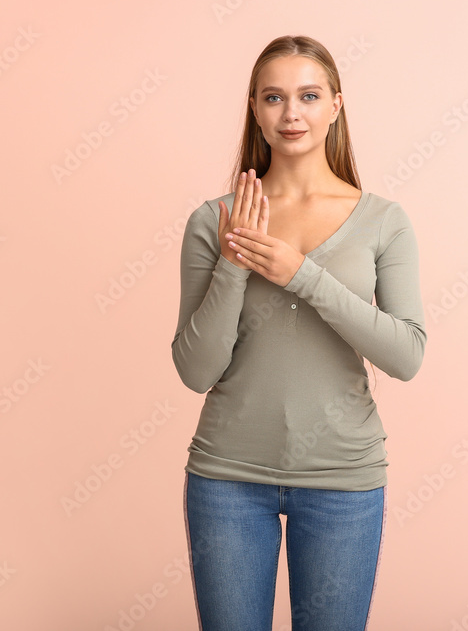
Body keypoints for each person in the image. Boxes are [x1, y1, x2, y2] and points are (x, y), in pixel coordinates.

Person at [170, 34, 427, 631]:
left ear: (336, 105)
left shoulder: (383, 220)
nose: (291, 113)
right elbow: (194, 370)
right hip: (227, 479)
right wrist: (235, 263)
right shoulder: (213, 221)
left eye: (308, 95)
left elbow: (406, 355)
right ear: (255, 109)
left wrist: (303, 275)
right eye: (274, 97)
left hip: (344, 480)